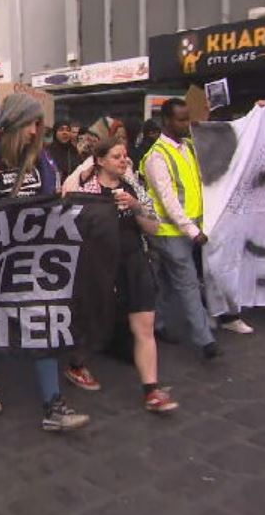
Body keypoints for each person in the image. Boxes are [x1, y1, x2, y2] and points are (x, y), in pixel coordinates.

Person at [0, 93, 90, 432]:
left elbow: (48, 198)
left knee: (43, 323)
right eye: (31, 124)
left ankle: (53, 405)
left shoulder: (40, 159)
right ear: (13, 123)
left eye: (38, 125)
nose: (35, 132)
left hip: (33, 261)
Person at [66, 138, 179, 413]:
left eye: (125, 156)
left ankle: (151, 390)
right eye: (116, 156)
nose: (123, 160)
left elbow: (153, 227)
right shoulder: (87, 188)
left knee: (144, 325)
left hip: (134, 262)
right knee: (95, 319)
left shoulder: (133, 186)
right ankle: (76, 364)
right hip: (100, 265)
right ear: (100, 160)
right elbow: (70, 218)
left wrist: (136, 206)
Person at [143, 98, 220, 360]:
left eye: (188, 118)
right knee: (187, 283)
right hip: (170, 234)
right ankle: (205, 339)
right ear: (166, 121)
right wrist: (192, 231)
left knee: (164, 283)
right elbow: (169, 200)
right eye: (181, 119)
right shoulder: (157, 156)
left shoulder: (187, 147)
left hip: (183, 231)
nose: (187, 124)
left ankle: (158, 325)